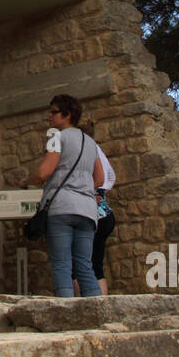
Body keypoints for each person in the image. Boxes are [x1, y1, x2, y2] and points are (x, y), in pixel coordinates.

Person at [25, 94, 105, 298]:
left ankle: (65, 312)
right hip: (87, 210)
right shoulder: (90, 142)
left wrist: (26, 181)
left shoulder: (56, 137)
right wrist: (83, 188)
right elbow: (100, 178)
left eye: (54, 112)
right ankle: (96, 311)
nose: (49, 116)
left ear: (67, 115)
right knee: (85, 266)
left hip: (61, 208)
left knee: (62, 265)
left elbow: (44, 171)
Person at [72, 118, 116, 296]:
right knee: (96, 266)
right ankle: (102, 306)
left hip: (89, 216)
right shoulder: (99, 151)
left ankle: (79, 307)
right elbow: (110, 177)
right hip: (105, 214)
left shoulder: (83, 151)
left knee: (76, 266)